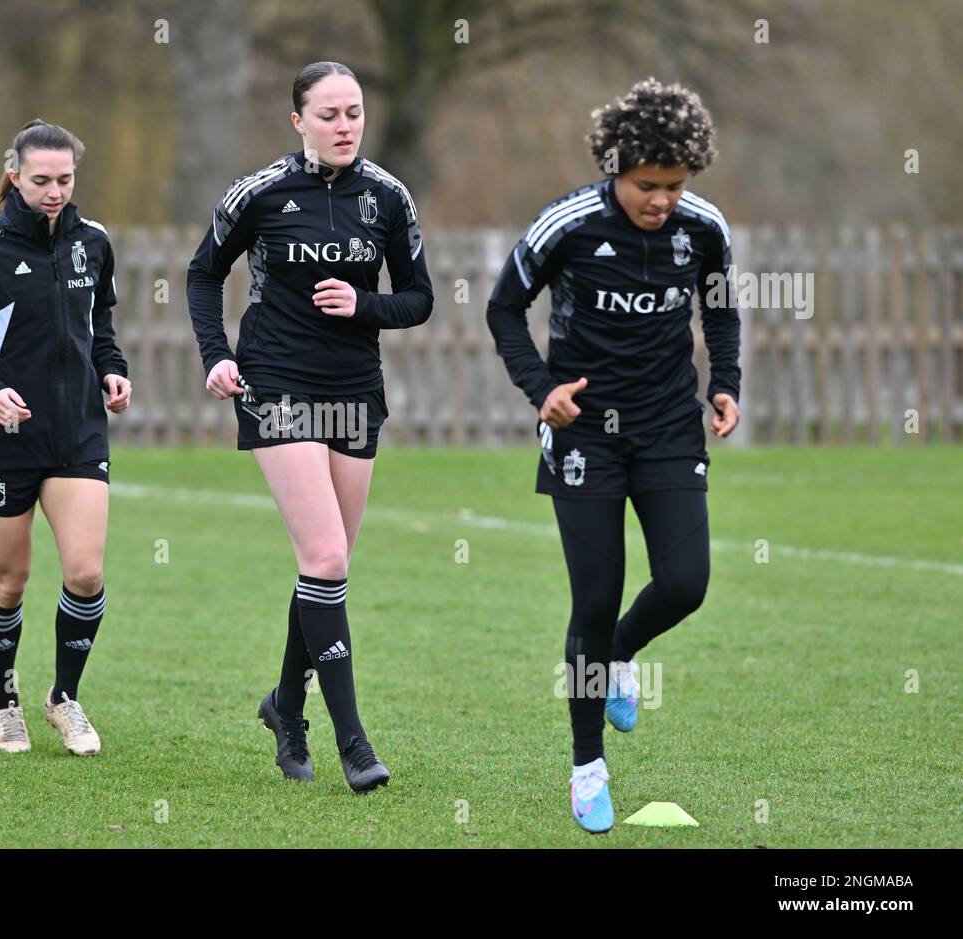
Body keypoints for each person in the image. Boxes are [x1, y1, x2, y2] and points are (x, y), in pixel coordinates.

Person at [486, 78, 741, 832]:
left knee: (686, 584)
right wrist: (541, 389)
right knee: (594, 600)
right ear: (615, 167)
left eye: (673, 185)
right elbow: (504, 309)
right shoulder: (566, 225)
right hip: (585, 435)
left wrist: (724, 383)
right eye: (645, 185)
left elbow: (720, 307)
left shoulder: (704, 228)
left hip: (667, 428)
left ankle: (621, 653)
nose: (660, 200)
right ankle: (587, 765)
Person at [186, 61, 433, 792]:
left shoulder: (388, 196)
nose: (344, 125)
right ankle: (353, 743)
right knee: (325, 555)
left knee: (327, 567)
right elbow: (203, 273)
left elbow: (419, 297)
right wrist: (217, 355)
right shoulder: (260, 192)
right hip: (276, 383)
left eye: (353, 112)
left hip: (354, 388)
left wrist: (364, 305)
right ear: (298, 121)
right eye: (328, 114)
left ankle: (286, 705)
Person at [0, 119, 130, 755]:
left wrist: (113, 371)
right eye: (41, 180)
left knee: (86, 573)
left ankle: (63, 698)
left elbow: (100, 328)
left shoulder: (93, 242)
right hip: (4, 440)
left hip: (77, 435)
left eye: (65, 179)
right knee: (9, 582)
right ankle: (4, 701)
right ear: (14, 175)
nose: (55, 192)